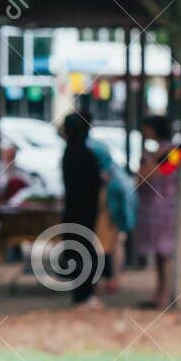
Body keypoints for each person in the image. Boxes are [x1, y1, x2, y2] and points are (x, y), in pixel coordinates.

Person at [59, 112, 105, 308]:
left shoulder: (69, 154)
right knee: (84, 250)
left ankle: (81, 294)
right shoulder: (86, 155)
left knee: (76, 249)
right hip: (86, 211)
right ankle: (84, 294)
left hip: (73, 209)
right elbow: (95, 185)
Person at [136, 114, 181, 310]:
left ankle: (165, 296)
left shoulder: (172, 152)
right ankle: (159, 293)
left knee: (165, 253)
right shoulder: (161, 152)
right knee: (159, 255)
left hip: (164, 209)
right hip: (154, 209)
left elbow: (154, 175)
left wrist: (149, 163)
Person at [86, 133, 136, 295]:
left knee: (103, 244)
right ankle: (113, 279)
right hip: (114, 207)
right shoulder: (100, 149)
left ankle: (104, 281)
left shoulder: (92, 150)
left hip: (108, 208)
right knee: (115, 243)